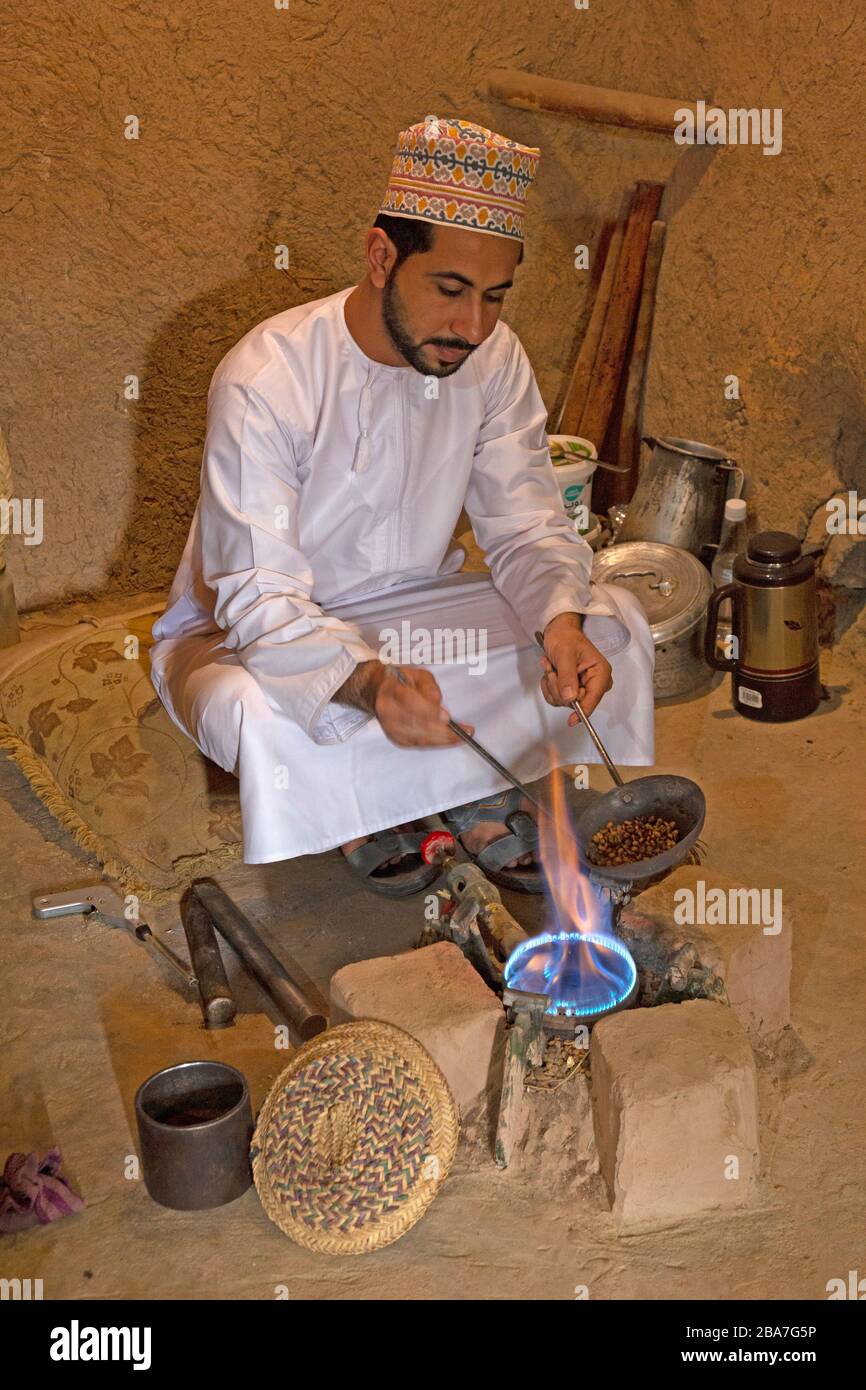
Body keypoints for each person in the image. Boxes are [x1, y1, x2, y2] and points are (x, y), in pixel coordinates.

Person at [149, 116, 655, 896]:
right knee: (252, 708)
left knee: (609, 623)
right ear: (382, 257)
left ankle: (457, 787)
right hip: (254, 632)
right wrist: (368, 683)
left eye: (493, 296)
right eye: (450, 290)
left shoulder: (494, 358)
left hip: (418, 606)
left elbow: (526, 524)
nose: (472, 326)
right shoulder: (268, 374)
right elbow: (256, 590)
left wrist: (560, 622)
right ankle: (387, 807)